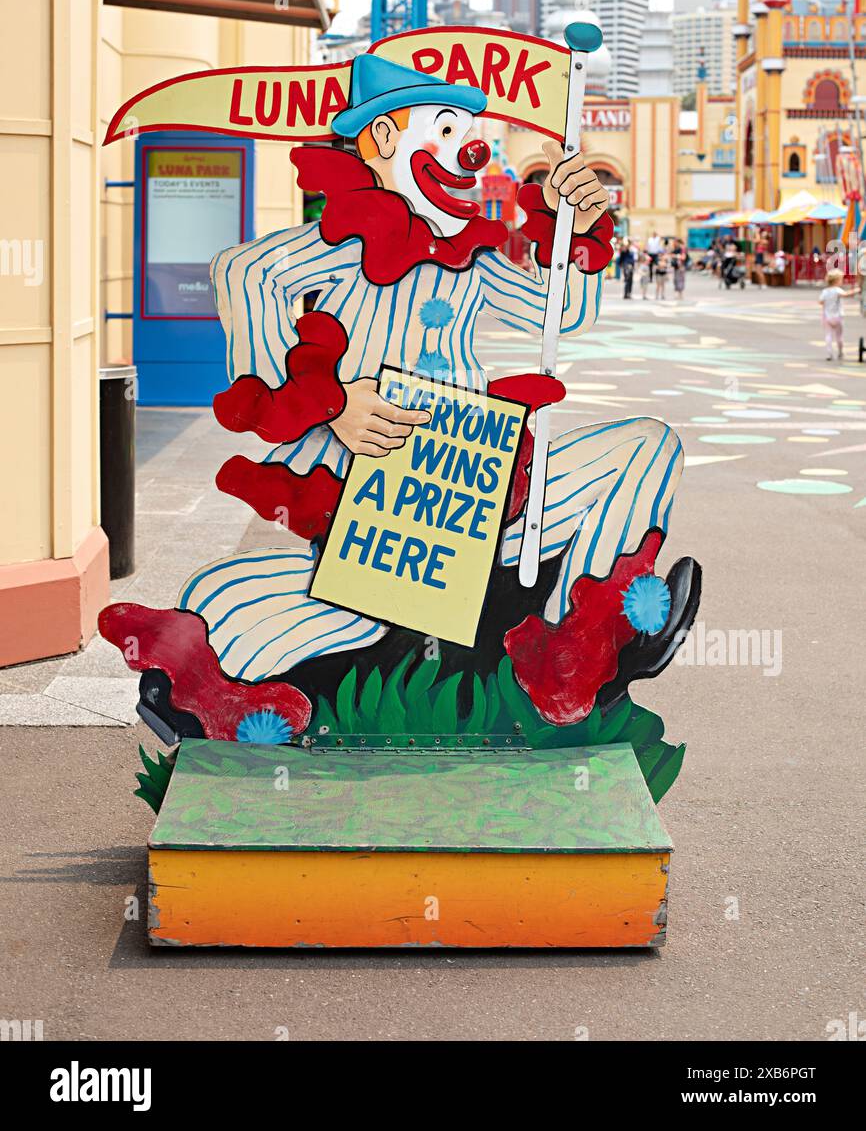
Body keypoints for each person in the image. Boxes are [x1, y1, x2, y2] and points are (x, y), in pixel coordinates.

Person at [101, 50, 693, 709]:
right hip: (385, 497)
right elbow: (245, 272)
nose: (468, 152)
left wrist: (572, 232)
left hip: (478, 478)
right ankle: (219, 660)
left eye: (468, 134)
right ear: (383, 139)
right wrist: (325, 406)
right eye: (443, 130)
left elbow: (562, 315)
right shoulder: (340, 241)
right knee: (353, 622)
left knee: (646, 446)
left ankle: (570, 653)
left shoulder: (473, 253)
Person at [819, 268, 858, 361]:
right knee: (839, 336)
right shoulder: (837, 290)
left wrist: (827, 303)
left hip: (827, 317)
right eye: (841, 279)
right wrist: (857, 290)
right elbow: (846, 294)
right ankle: (840, 352)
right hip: (838, 317)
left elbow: (820, 301)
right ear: (836, 280)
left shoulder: (825, 291)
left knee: (828, 335)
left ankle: (829, 353)